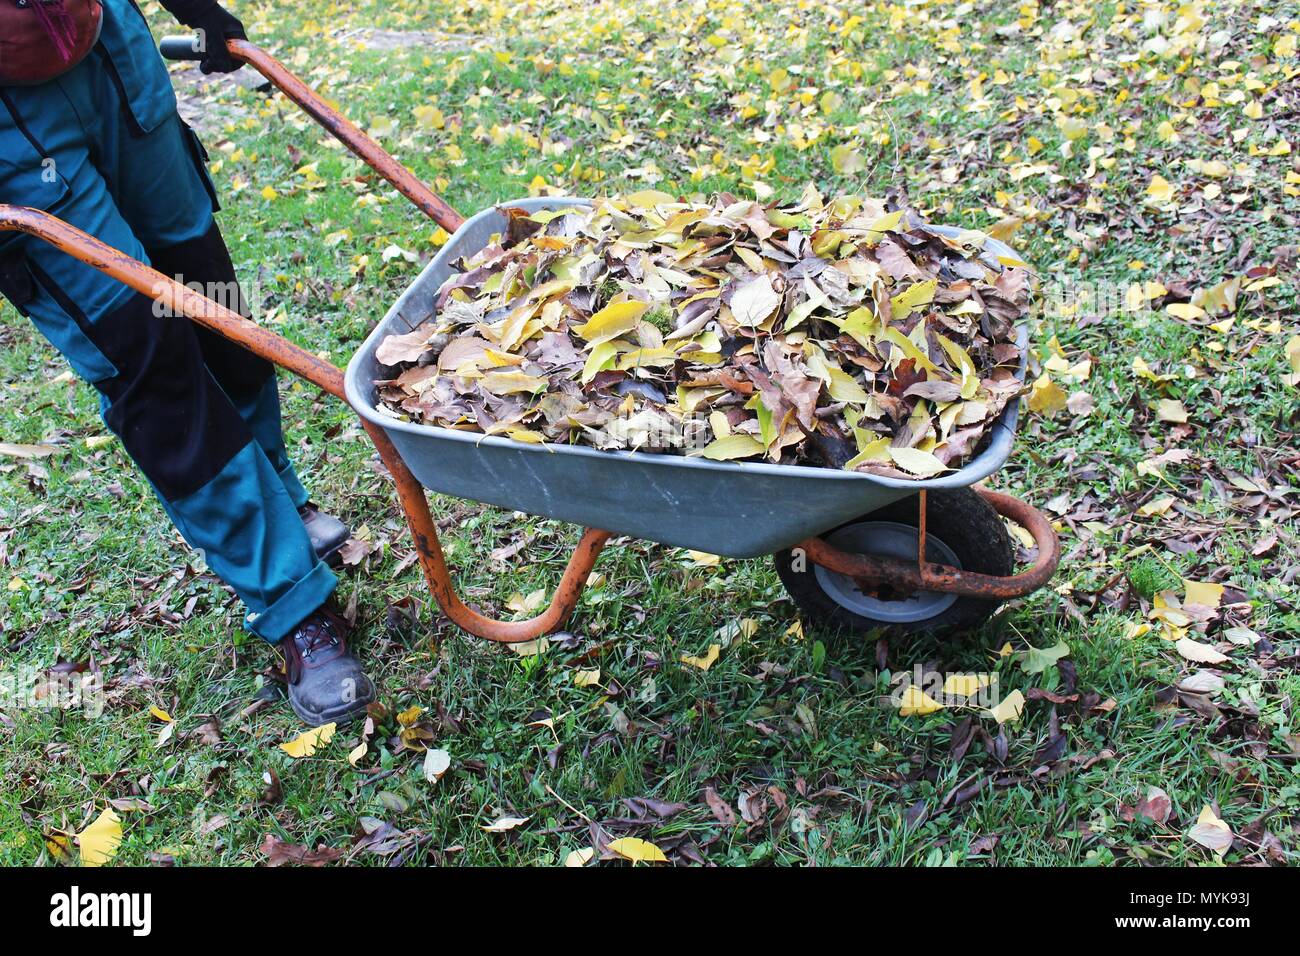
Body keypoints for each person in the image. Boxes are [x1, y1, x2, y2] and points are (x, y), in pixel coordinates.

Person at [0, 0, 376, 724]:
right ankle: (291, 597)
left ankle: (281, 498)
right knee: (148, 357)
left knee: (208, 293)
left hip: (110, 55)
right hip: (13, 145)